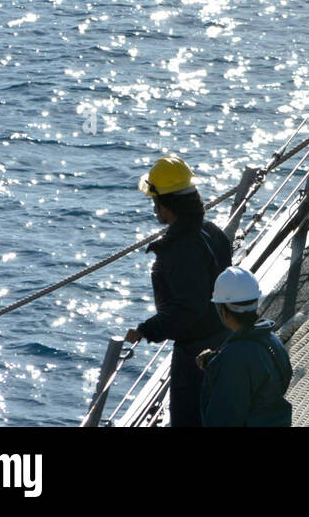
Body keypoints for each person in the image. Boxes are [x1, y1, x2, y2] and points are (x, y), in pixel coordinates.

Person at [125, 155, 233, 427]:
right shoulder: (212, 231)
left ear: (168, 206)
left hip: (196, 351)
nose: (155, 208)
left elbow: (189, 306)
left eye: (156, 202)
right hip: (225, 335)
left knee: (189, 419)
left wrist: (146, 330)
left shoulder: (179, 249)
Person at [197, 267, 292, 427]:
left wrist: (220, 367)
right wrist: (214, 361)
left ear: (223, 311)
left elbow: (222, 419)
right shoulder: (270, 338)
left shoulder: (233, 359)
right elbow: (276, 377)